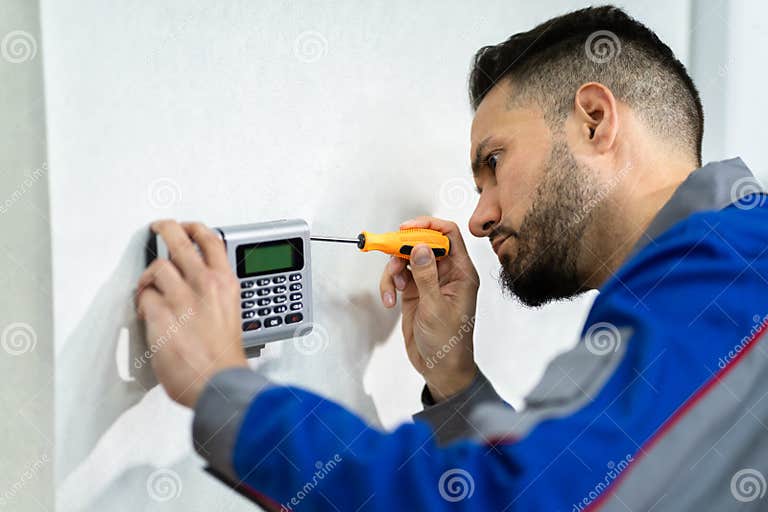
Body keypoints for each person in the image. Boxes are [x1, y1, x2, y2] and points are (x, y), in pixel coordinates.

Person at [135, 5, 768, 510]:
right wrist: (454, 380)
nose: (478, 216)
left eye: (493, 164)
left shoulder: (727, 276)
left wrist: (227, 392)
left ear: (595, 121)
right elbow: (557, 479)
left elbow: (514, 501)